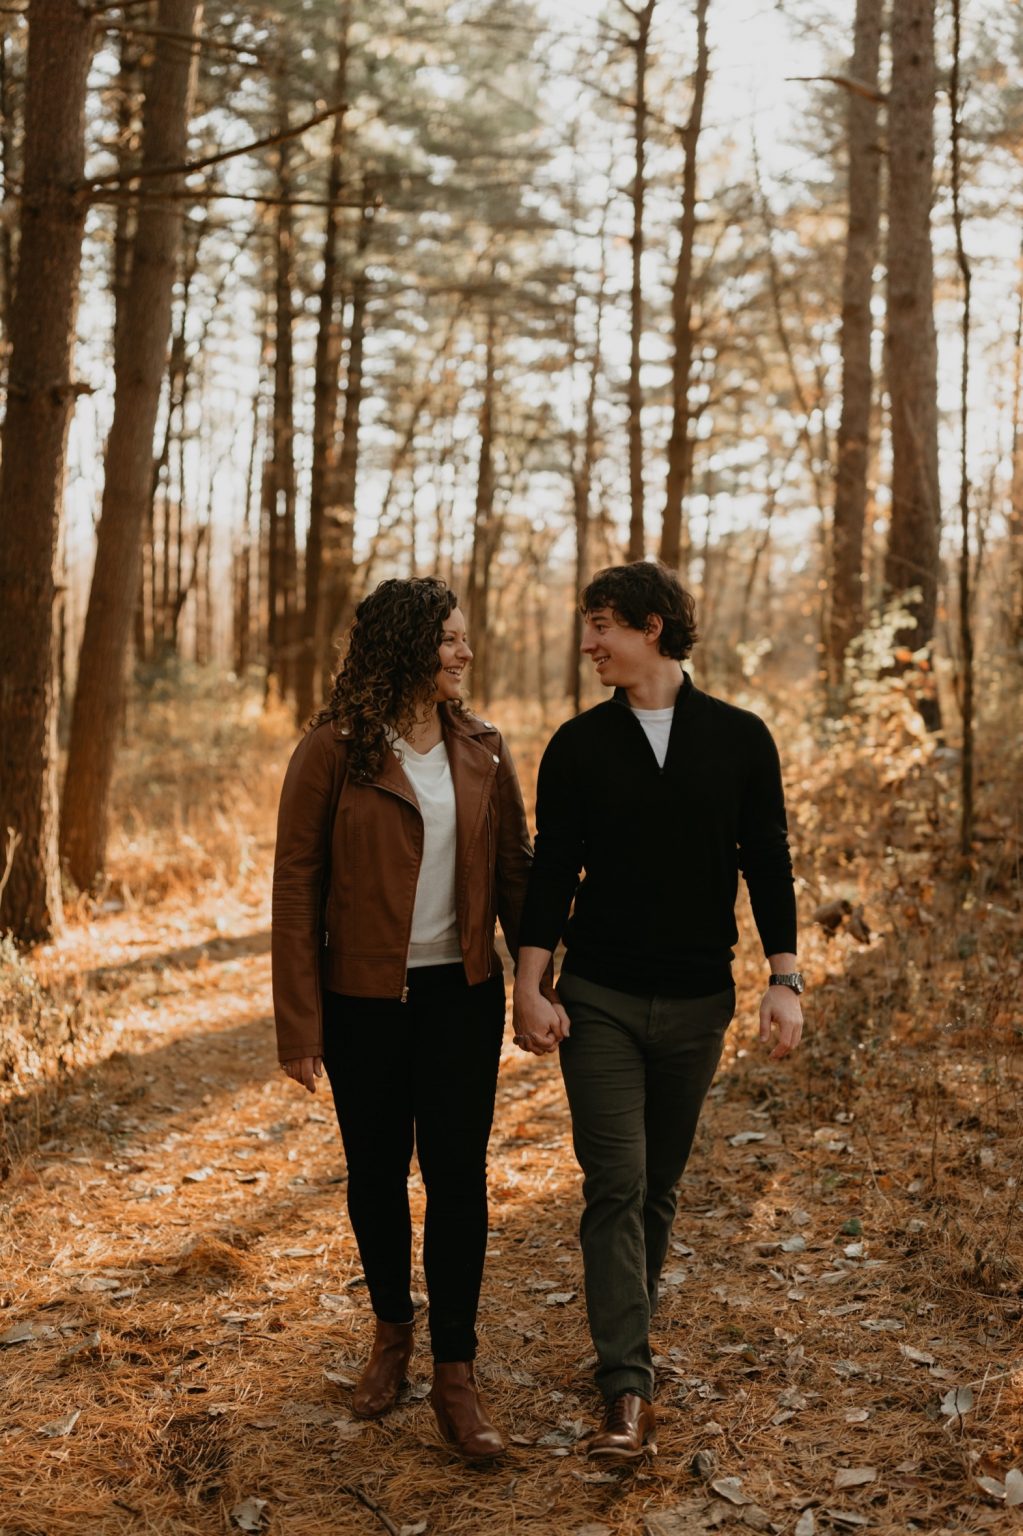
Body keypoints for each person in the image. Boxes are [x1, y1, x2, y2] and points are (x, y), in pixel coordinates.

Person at [512, 560, 803, 1460]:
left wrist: (783, 980)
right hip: (596, 997)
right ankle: (625, 1390)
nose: (588, 643)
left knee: (659, 1191)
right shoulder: (577, 746)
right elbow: (553, 870)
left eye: (601, 624)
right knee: (617, 1185)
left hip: (698, 1004)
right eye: (586, 625)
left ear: (650, 626)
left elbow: (769, 861)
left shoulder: (740, 739)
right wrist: (530, 983)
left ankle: (623, 1334)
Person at [271, 577, 534, 1461]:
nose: (464, 653)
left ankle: (455, 1377)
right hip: (362, 1003)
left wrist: (541, 976)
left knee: (458, 1179)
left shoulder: (485, 749)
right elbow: (295, 888)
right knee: (376, 1175)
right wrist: (299, 1024)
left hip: (461, 997)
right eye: (450, 639)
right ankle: (392, 1335)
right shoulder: (332, 751)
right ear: (408, 645)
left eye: (464, 639)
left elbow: (516, 878)